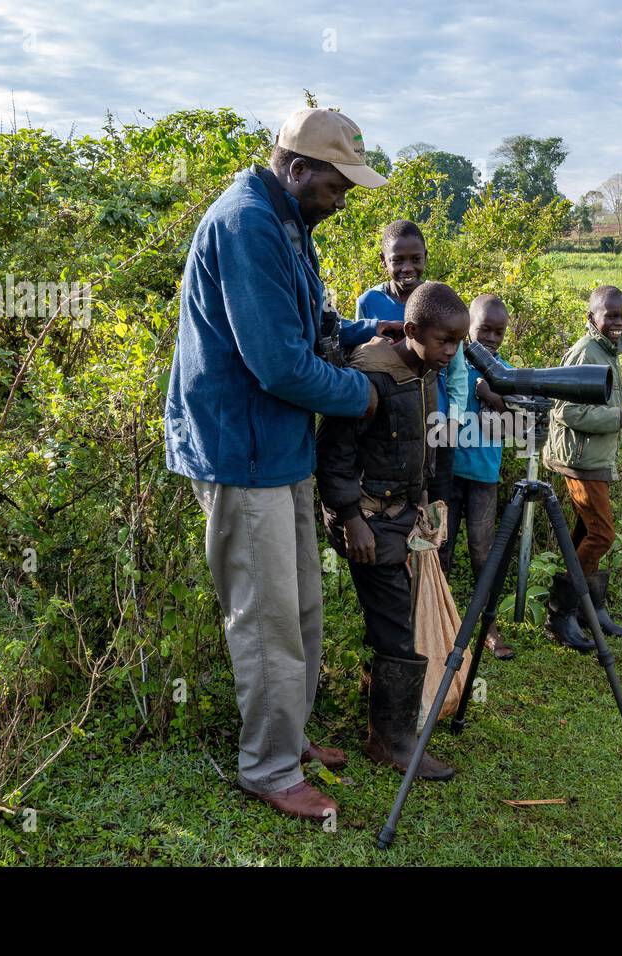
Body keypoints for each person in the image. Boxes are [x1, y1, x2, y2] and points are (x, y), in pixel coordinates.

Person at [164, 107, 393, 824]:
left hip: (281, 447)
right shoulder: (247, 224)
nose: (341, 201)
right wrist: (363, 392)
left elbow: (311, 323)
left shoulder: (290, 222)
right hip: (242, 449)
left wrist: (369, 330)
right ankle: (266, 767)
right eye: (336, 187)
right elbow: (277, 363)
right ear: (297, 169)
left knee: (300, 608)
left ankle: (287, 737)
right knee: (264, 619)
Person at [316, 281, 470, 781]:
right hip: (366, 519)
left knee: (397, 614)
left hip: (402, 514)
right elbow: (334, 457)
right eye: (444, 340)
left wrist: (423, 500)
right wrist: (350, 520)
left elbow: (419, 448)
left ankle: (383, 706)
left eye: (458, 341)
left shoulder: (426, 370)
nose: (452, 351)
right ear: (410, 331)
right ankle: (393, 740)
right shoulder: (371, 376)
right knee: (397, 628)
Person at [542, 285, 622, 652]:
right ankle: (561, 613)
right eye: (610, 316)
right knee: (601, 534)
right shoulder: (586, 352)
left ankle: (589, 609)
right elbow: (564, 410)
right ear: (591, 317)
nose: (618, 322)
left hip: (595, 457)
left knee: (584, 533)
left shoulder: (608, 350)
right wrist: (619, 418)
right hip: (580, 459)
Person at [355, 220, 464, 512]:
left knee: (436, 508)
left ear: (426, 256)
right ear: (383, 261)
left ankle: (437, 558)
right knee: (395, 505)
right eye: (397, 260)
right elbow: (361, 359)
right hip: (389, 425)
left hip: (435, 422)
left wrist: (453, 420)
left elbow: (457, 372)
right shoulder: (370, 302)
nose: (407, 268)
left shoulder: (438, 300)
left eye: (416, 259)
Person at [443, 293, 516, 659]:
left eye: (499, 332)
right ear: (469, 326)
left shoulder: (505, 372)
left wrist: (494, 396)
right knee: (441, 546)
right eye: (484, 329)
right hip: (450, 472)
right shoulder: (454, 361)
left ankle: (488, 626)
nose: (490, 338)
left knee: (483, 552)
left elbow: (515, 424)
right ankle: (438, 623)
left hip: (485, 476)